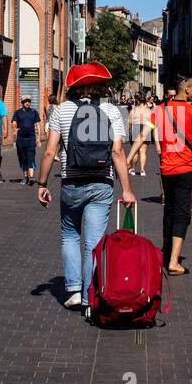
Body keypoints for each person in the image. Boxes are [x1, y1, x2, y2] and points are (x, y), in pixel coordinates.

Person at [35, 62, 136, 311]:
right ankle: (90, 295)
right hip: (102, 182)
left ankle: (72, 290)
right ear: (99, 86)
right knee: (93, 241)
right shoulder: (112, 111)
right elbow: (117, 152)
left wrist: (42, 183)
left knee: (70, 235)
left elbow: (50, 151)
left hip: (71, 182)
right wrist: (127, 189)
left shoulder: (61, 111)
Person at [129, 76, 192, 276]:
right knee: (183, 212)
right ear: (188, 90)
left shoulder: (159, 110)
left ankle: (166, 250)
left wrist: (130, 157)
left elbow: (141, 136)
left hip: (166, 169)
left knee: (169, 208)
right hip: (185, 169)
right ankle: (173, 261)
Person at [12, 96, 42, 186]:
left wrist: (38, 137)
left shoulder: (34, 112)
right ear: (22, 102)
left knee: (31, 157)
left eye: (29, 101)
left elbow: (38, 125)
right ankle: (26, 177)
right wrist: (14, 128)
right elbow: (14, 122)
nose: (28, 103)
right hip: (20, 139)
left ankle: (31, 178)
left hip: (31, 139)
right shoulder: (17, 113)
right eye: (25, 101)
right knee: (23, 158)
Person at [128, 94, 153, 177]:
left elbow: (130, 122)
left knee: (134, 151)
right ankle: (142, 170)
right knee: (143, 151)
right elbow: (152, 121)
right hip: (146, 128)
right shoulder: (149, 111)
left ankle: (133, 169)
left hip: (135, 127)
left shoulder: (134, 110)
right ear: (145, 101)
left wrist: (129, 130)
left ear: (138, 101)